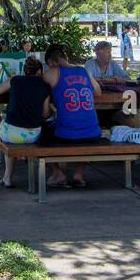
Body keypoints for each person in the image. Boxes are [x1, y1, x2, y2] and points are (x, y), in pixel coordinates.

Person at [0, 57, 53, 187]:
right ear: (40, 71)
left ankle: (7, 177)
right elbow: (45, 115)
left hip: (10, 134)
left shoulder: (15, 80)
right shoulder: (44, 86)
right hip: (33, 135)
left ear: (24, 70)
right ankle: (23, 159)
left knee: (6, 126)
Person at [40, 44, 102, 188]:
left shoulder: (53, 72)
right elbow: (98, 91)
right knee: (83, 131)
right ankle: (78, 174)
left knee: (41, 134)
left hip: (66, 134)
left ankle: (57, 173)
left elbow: (38, 85)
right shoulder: (84, 70)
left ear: (50, 62)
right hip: (93, 132)